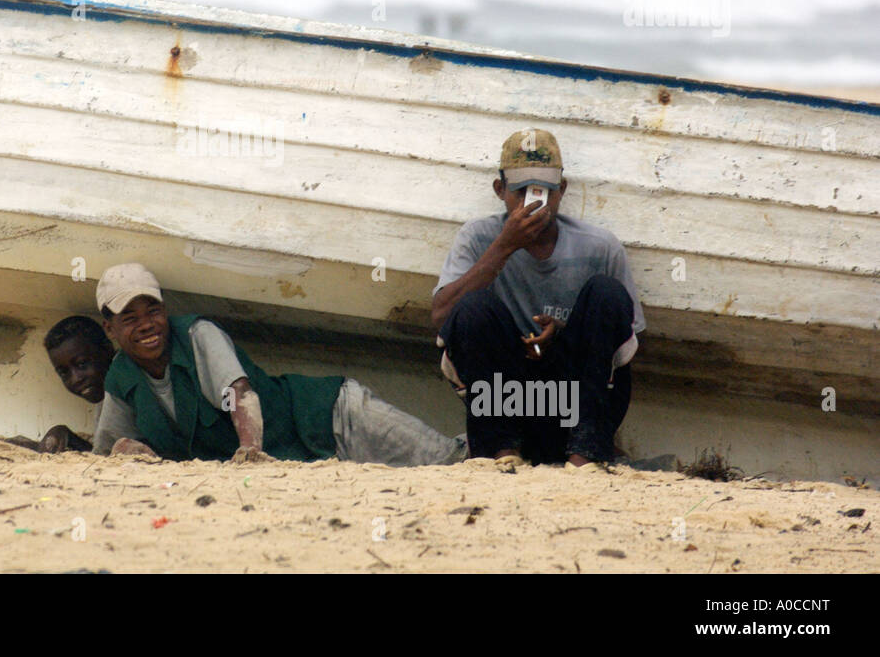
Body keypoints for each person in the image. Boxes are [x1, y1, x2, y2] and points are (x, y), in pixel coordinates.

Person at [91, 262, 466, 466]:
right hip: (311, 460)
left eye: (152, 310)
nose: (146, 325)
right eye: (129, 318)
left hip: (335, 417)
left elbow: (238, 393)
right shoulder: (121, 378)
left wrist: (250, 452)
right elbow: (108, 447)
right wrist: (126, 448)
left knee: (449, 461)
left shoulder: (196, 335)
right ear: (109, 328)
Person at [430, 129, 644, 468]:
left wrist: (563, 332)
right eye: (522, 191)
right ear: (500, 190)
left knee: (606, 293)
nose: (534, 202)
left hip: (572, 403)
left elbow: (625, 345)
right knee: (470, 308)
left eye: (544, 190)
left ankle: (583, 457)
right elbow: (442, 317)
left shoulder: (599, 247)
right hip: (507, 402)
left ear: (562, 190)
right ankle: (501, 455)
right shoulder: (478, 237)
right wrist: (503, 246)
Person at [7, 315, 114, 453]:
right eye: (64, 373)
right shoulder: (105, 395)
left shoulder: (124, 387)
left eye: (82, 364)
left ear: (107, 350)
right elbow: (102, 453)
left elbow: (111, 457)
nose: (76, 379)